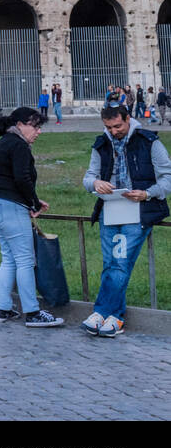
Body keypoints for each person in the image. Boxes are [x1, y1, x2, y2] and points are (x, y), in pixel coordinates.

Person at [80, 105, 171, 338]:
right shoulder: (101, 143)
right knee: (111, 263)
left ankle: (105, 313)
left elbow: (168, 178)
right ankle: (111, 316)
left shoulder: (149, 142)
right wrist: (95, 184)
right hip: (109, 209)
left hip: (138, 210)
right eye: (108, 127)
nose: (113, 131)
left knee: (120, 263)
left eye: (118, 126)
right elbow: (89, 177)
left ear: (128, 119)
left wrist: (147, 193)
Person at [0, 106, 61, 327]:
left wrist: (32, 201)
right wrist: (33, 203)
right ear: (20, 125)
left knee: (9, 258)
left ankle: (4, 308)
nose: (39, 132)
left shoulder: (3, 143)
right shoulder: (19, 146)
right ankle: (33, 312)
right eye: (35, 127)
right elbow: (22, 179)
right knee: (26, 260)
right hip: (9, 207)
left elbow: (9, 179)